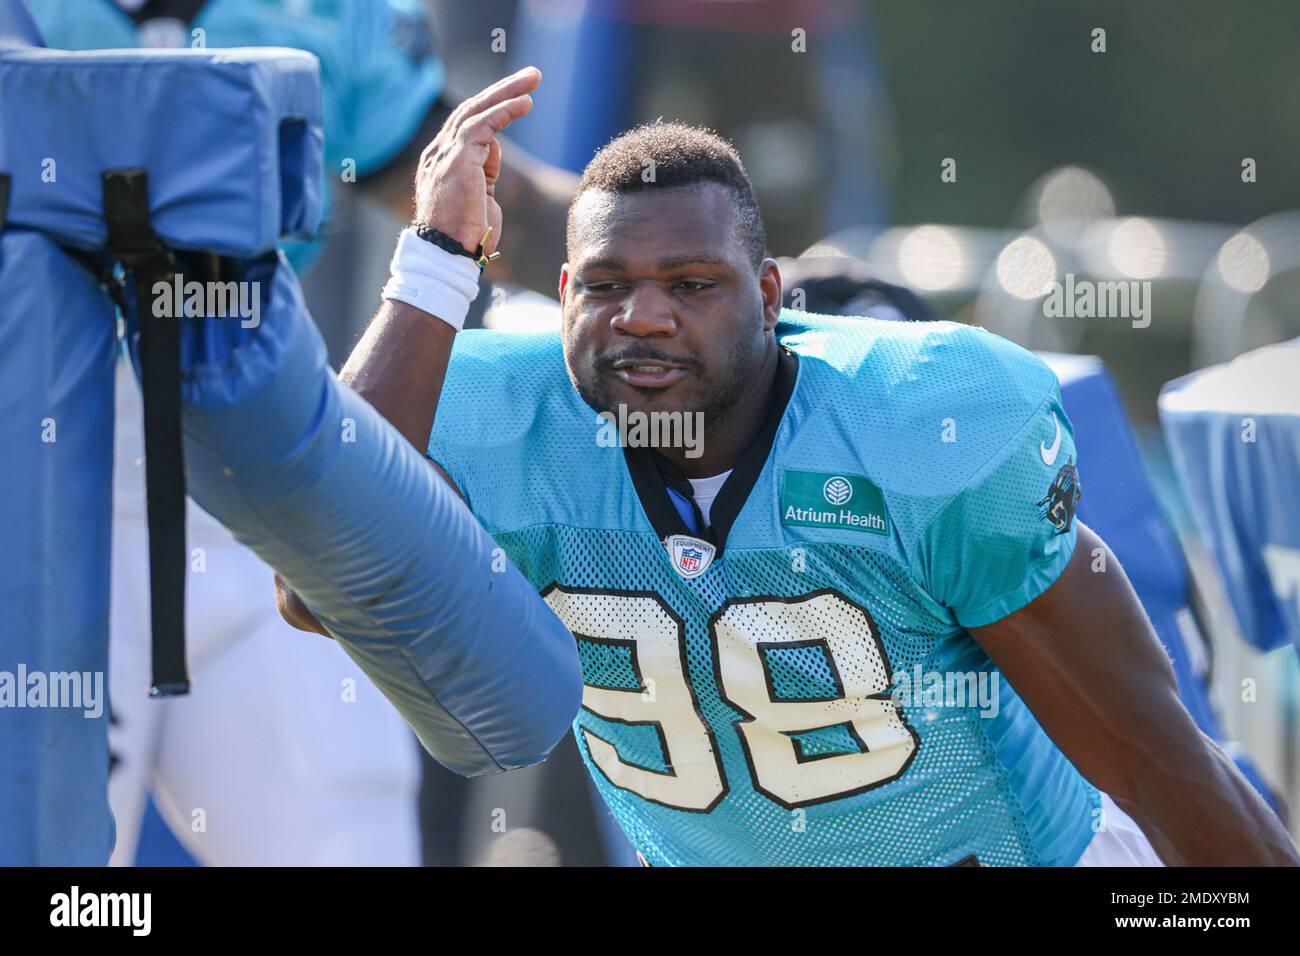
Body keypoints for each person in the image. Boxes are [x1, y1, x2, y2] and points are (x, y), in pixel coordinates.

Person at [277, 68, 1298, 865]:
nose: (644, 315)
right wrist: (434, 263)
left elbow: (1156, 757)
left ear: (769, 296)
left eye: (692, 282)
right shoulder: (499, 416)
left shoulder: (918, 430)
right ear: (561, 295)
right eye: (606, 285)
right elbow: (311, 583)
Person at [27, 0, 576, 866]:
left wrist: (671, 255)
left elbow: (474, 191)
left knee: (350, 843)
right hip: (48, 502)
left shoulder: (321, 16)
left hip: (252, 485)